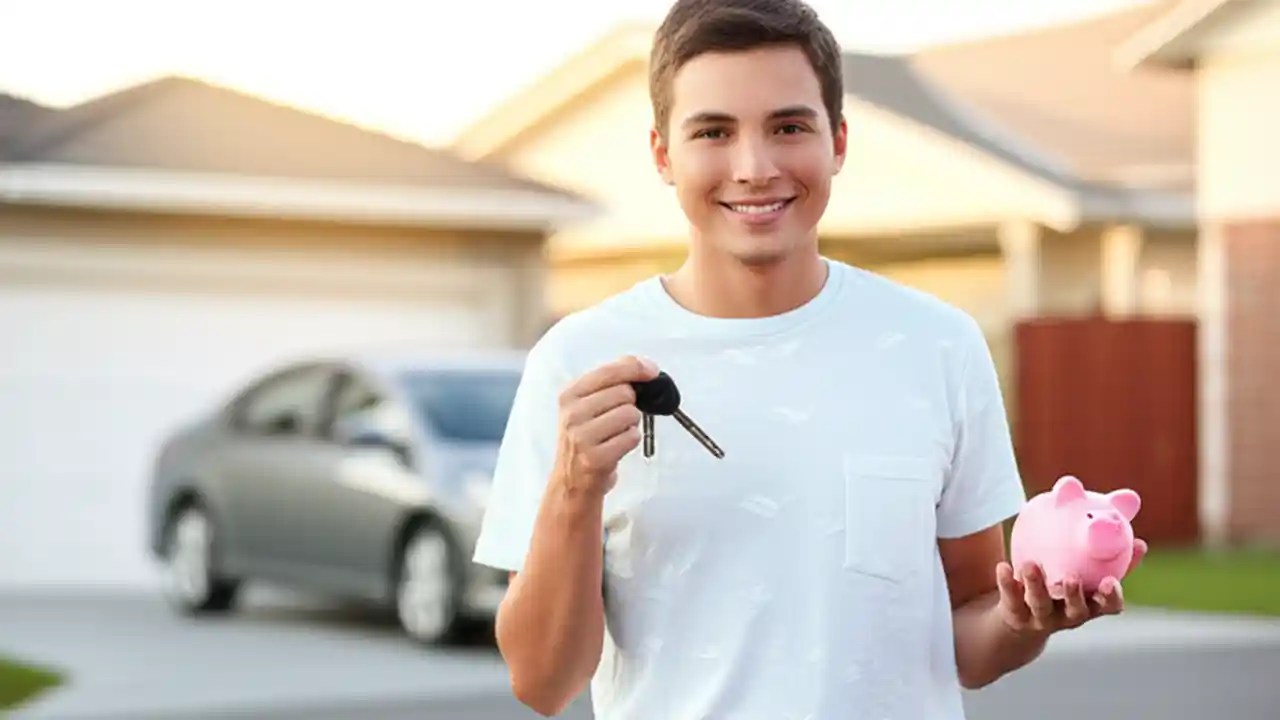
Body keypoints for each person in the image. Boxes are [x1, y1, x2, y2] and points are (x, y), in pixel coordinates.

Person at [472, 0, 1147, 717]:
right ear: (663, 154)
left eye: (789, 127)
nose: (755, 167)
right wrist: (576, 489)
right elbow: (543, 683)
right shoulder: (577, 363)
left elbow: (970, 632)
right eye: (713, 132)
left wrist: (1020, 622)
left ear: (839, 143)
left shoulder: (937, 347)